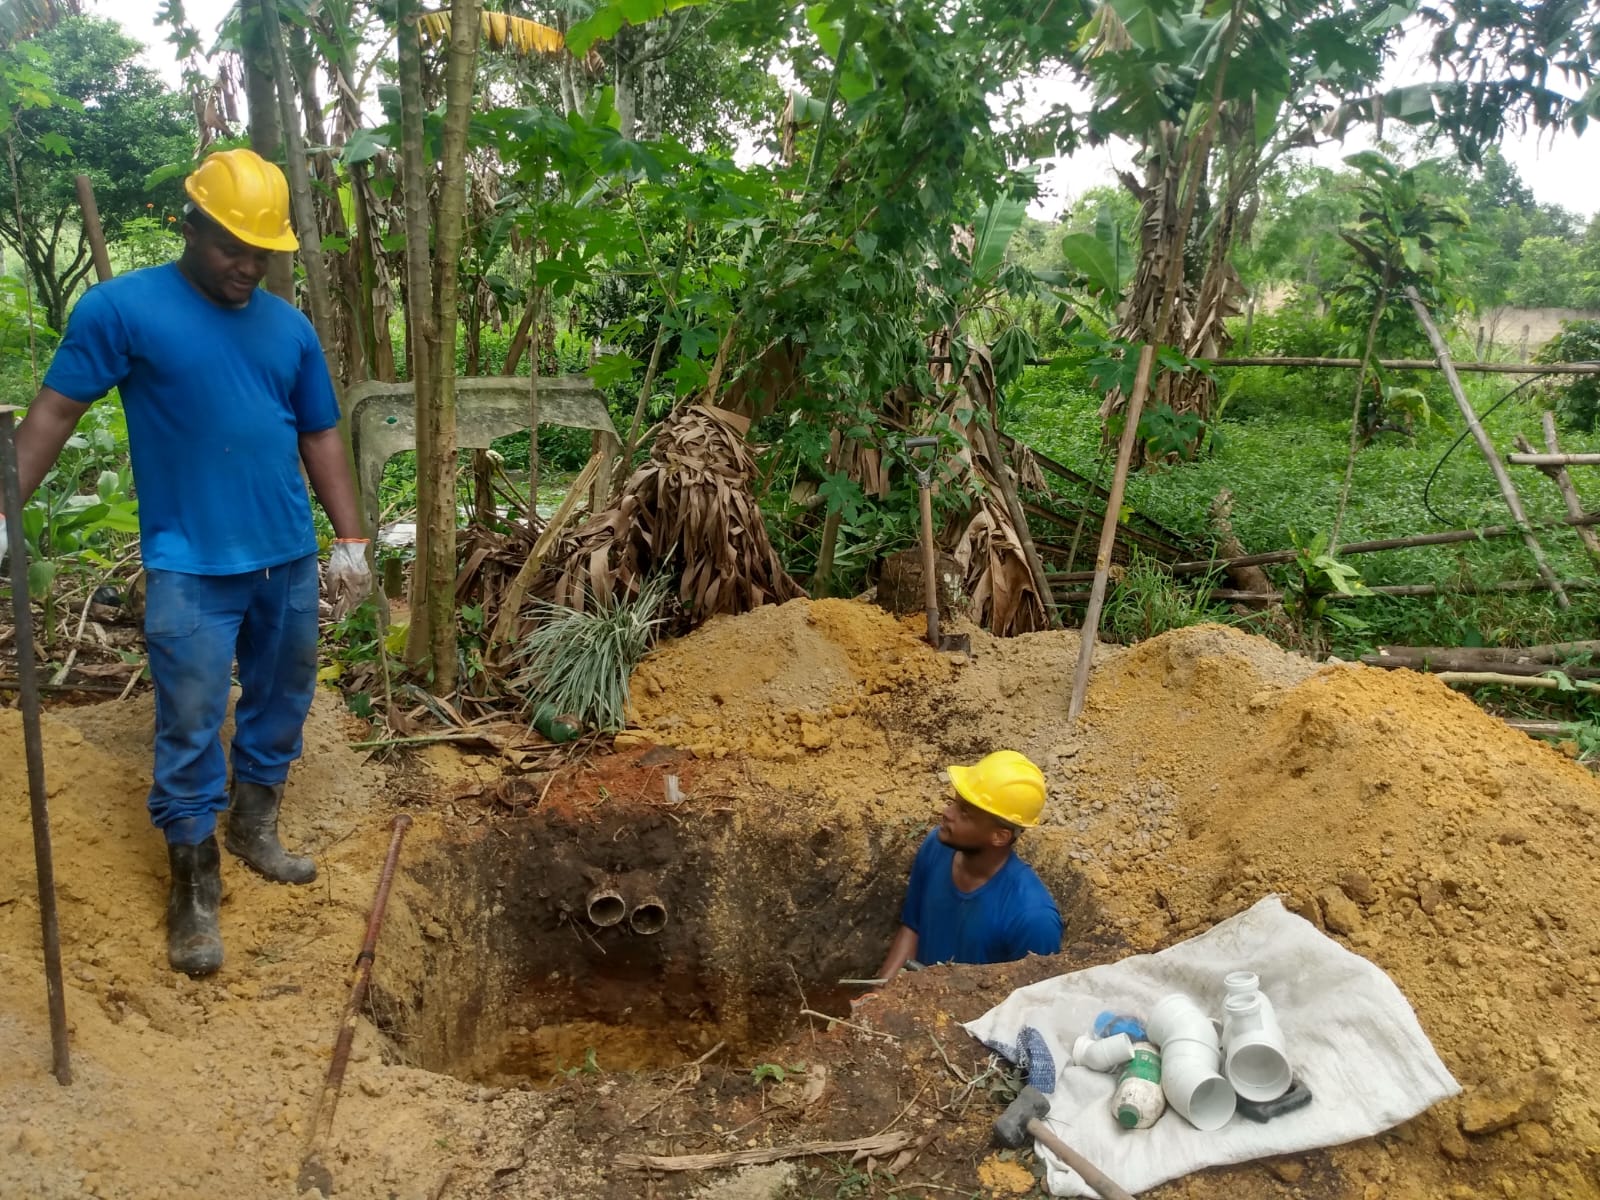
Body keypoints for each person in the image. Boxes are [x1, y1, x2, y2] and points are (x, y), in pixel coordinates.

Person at [0, 148, 371, 976]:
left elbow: (318, 432)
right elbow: (56, 413)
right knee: (191, 721)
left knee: (282, 697)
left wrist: (350, 541)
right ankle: (193, 883)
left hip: (286, 555)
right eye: (231, 248)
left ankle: (253, 824)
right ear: (189, 225)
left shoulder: (289, 326)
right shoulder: (120, 310)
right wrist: (1, 512)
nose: (248, 267)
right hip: (190, 563)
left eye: (262, 253)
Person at [875, 750, 1061, 981]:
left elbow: (1030, 1004)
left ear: (999, 836)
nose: (946, 813)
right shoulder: (937, 846)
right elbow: (913, 927)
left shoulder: (1033, 918)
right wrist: (879, 994)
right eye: (955, 803)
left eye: (964, 812)